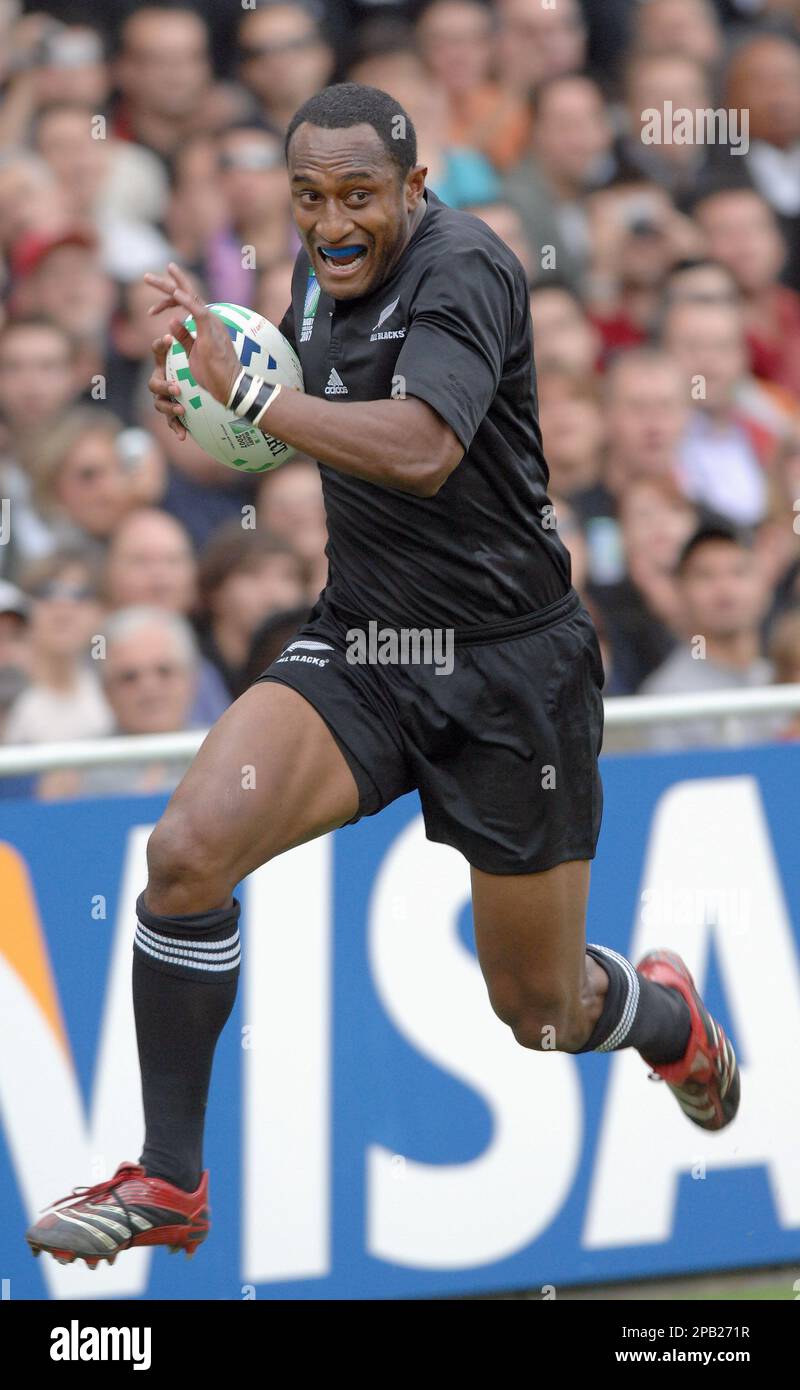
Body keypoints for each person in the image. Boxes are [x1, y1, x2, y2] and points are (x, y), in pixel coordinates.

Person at [26, 82, 740, 1271]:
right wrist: (210, 396)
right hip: (365, 642)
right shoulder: (320, 263)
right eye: (309, 197)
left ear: (415, 188)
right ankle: (171, 1177)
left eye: (359, 195)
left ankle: (665, 1016)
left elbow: (417, 449)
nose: (332, 220)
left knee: (541, 1011)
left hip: (513, 677)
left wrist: (258, 396)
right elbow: (305, 407)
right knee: (186, 853)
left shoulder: (465, 270)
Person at [38, 606, 201, 801]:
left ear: (191, 679)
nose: (149, 687)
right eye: (129, 677)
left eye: (164, 671)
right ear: (106, 691)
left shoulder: (227, 756)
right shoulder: (71, 773)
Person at [639, 522, 780, 748]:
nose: (724, 588)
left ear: (765, 585)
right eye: (705, 576)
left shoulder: (782, 676)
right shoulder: (667, 698)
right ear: (680, 591)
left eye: (739, 572)